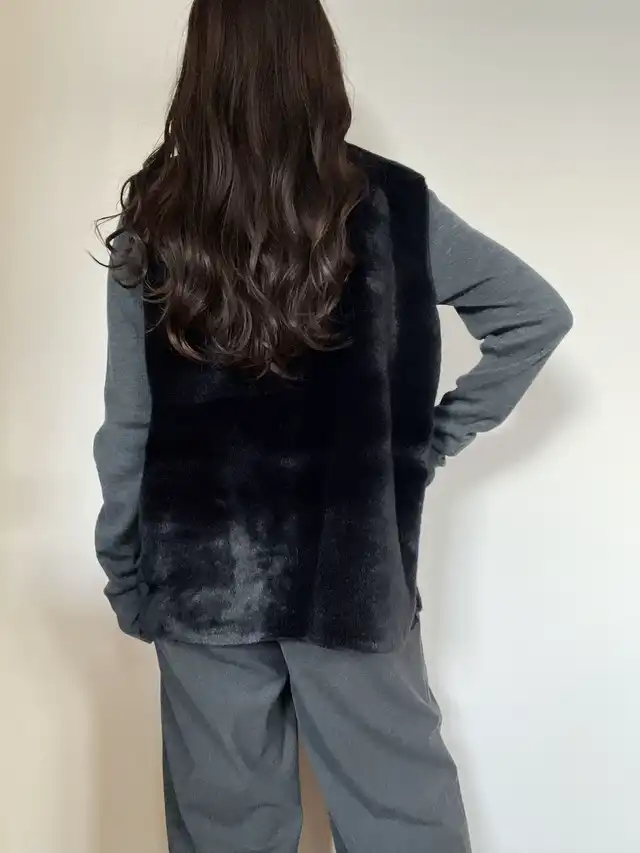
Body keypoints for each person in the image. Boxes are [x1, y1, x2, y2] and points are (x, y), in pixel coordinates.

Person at [93, 1, 573, 850]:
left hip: (199, 576)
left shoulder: (158, 218)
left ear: (202, 65)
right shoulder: (395, 204)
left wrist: (125, 568)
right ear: (317, 60)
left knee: (226, 830)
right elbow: (534, 316)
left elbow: (129, 422)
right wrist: (422, 447)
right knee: (403, 821)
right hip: (353, 568)